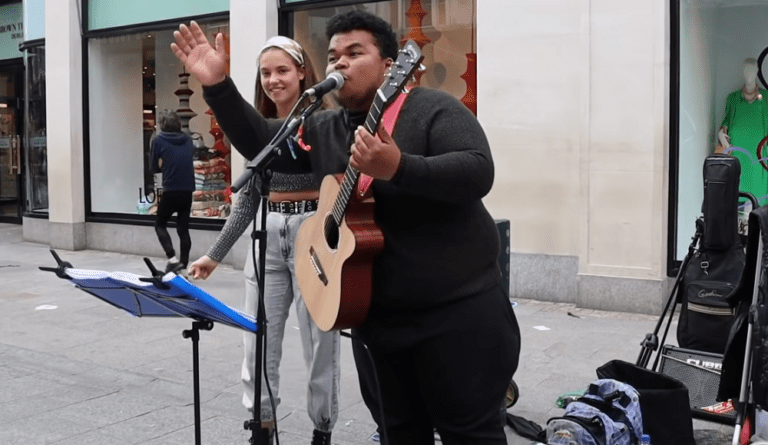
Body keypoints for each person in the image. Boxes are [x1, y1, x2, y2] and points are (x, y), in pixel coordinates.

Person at [172, 10, 520, 445]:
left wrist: (399, 166)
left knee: (470, 435)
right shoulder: (325, 127)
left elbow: (476, 171)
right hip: (377, 322)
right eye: (334, 55)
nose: (339, 63)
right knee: (399, 433)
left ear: (390, 65)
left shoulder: (432, 108)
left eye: (355, 53)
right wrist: (218, 87)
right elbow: (263, 139)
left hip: (456, 317)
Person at [186, 36, 339, 445]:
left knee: (320, 340)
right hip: (267, 234)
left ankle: (321, 429)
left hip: (314, 233)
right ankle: (261, 426)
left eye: (282, 70)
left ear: (303, 72)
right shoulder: (258, 134)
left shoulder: (328, 123)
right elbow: (248, 200)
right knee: (256, 338)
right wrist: (213, 256)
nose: (273, 80)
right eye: (266, 73)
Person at [717, 57, 768, 204]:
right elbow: (725, 124)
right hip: (737, 152)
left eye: (752, 70)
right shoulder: (733, 98)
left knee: (759, 194)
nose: (749, 73)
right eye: (746, 69)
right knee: (738, 190)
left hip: (759, 153)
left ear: (758, 71)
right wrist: (722, 136)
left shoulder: (766, 98)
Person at [150, 109, 195, 274]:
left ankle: (172, 259)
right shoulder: (188, 140)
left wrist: (163, 167)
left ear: (162, 124)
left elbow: (153, 167)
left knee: (160, 224)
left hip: (171, 188)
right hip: (188, 189)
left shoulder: (158, 140)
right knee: (183, 228)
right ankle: (183, 265)